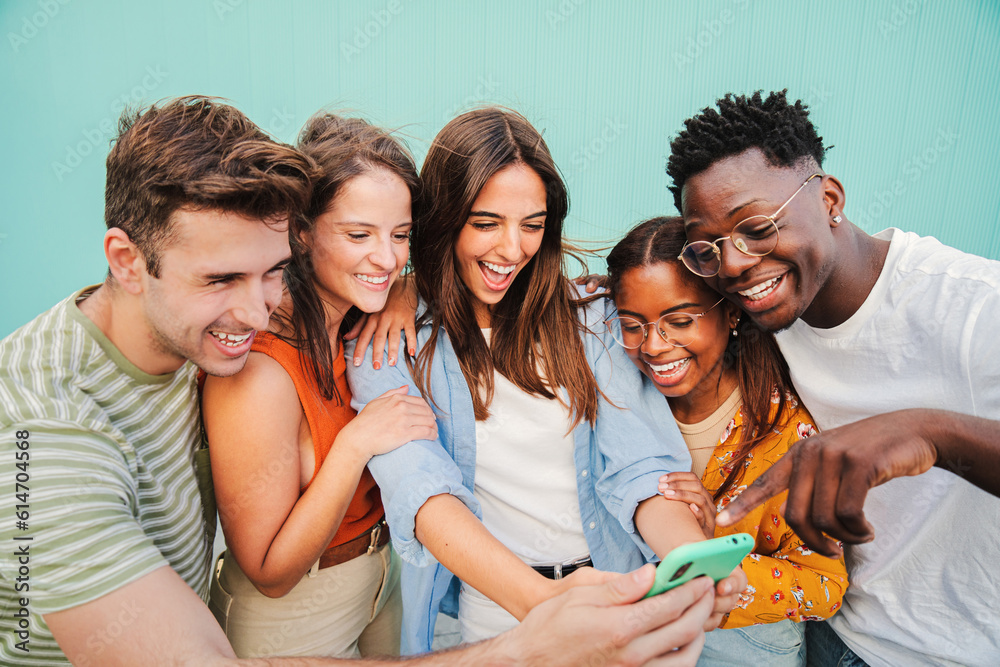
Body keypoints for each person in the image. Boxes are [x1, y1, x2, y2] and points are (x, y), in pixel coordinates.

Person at [0, 96, 715, 666]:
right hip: (277, 615)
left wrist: (409, 285)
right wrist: (534, 635)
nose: (258, 308)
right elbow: (238, 609)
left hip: (379, 585)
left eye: (270, 273)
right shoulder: (50, 435)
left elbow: (425, 263)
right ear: (127, 261)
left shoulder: (306, 321)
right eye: (222, 279)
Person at [346, 107, 745, 654]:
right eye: (485, 223)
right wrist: (547, 606)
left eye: (531, 225)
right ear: (443, 218)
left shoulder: (592, 318)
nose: (512, 250)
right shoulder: (385, 346)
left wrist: (687, 558)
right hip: (500, 609)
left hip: (617, 586)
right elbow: (423, 493)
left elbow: (639, 466)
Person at [665, 89, 1000, 667]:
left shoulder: (972, 308)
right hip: (836, 636)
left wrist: (930, 433)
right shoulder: (759, 311)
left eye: (757, 226)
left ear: (828, 198)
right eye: (709, 246)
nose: (735, 263)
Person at [201, 114, 437, 658]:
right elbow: (269, 571)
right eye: (359, 235)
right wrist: (357, 442)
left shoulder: (356, 314)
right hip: (292, 613)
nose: (387, 257)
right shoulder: (259, 369)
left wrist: (407, 288)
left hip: (381, 577)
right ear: (302, 232)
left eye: (400, 235)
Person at [603, 216, 846, 666]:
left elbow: (825, 583)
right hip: (640, 637)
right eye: (632, 324)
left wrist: (710, 548)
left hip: (748, 646)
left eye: (679, 321)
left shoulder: (786, 436)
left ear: (732, 312)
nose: (653, 346)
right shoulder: (624, 405)